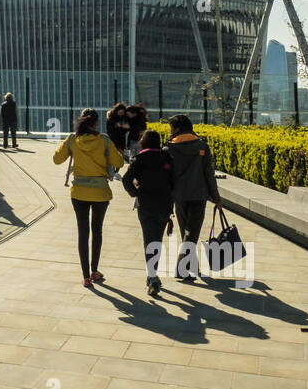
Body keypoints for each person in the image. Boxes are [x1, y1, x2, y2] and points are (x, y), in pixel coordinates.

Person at [52, 108, 125, 288]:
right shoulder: (104, 141)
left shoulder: (72, 140)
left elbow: (56, 159)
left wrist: (70, 146)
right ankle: (94, 269)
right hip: (100, 192)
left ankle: (85, 277)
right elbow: (119, 163)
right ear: (96, 123)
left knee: (82, 232)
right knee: (97, 230)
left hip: (78, 192)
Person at [163, 114, 221, 282]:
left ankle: (191, 265)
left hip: (179, 196)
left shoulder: (169, 149)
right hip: (199, 195)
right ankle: (182, 268)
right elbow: (209, 174)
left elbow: (167, 176)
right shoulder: (202, 146)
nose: (170, 132)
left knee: (186, 233)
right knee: (192, 233)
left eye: (171, 128)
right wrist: (216, 197)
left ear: (178, 129)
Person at [121, 128, 174, 296]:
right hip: (164, 204)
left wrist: (136, 193)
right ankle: (152, 275)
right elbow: (174, 181)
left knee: (148, 239)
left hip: (145, 204)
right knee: (156, 240)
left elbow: (126, 179)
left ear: (143, 142)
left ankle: (152, 276)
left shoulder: (139, 159)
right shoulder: (168, 158)